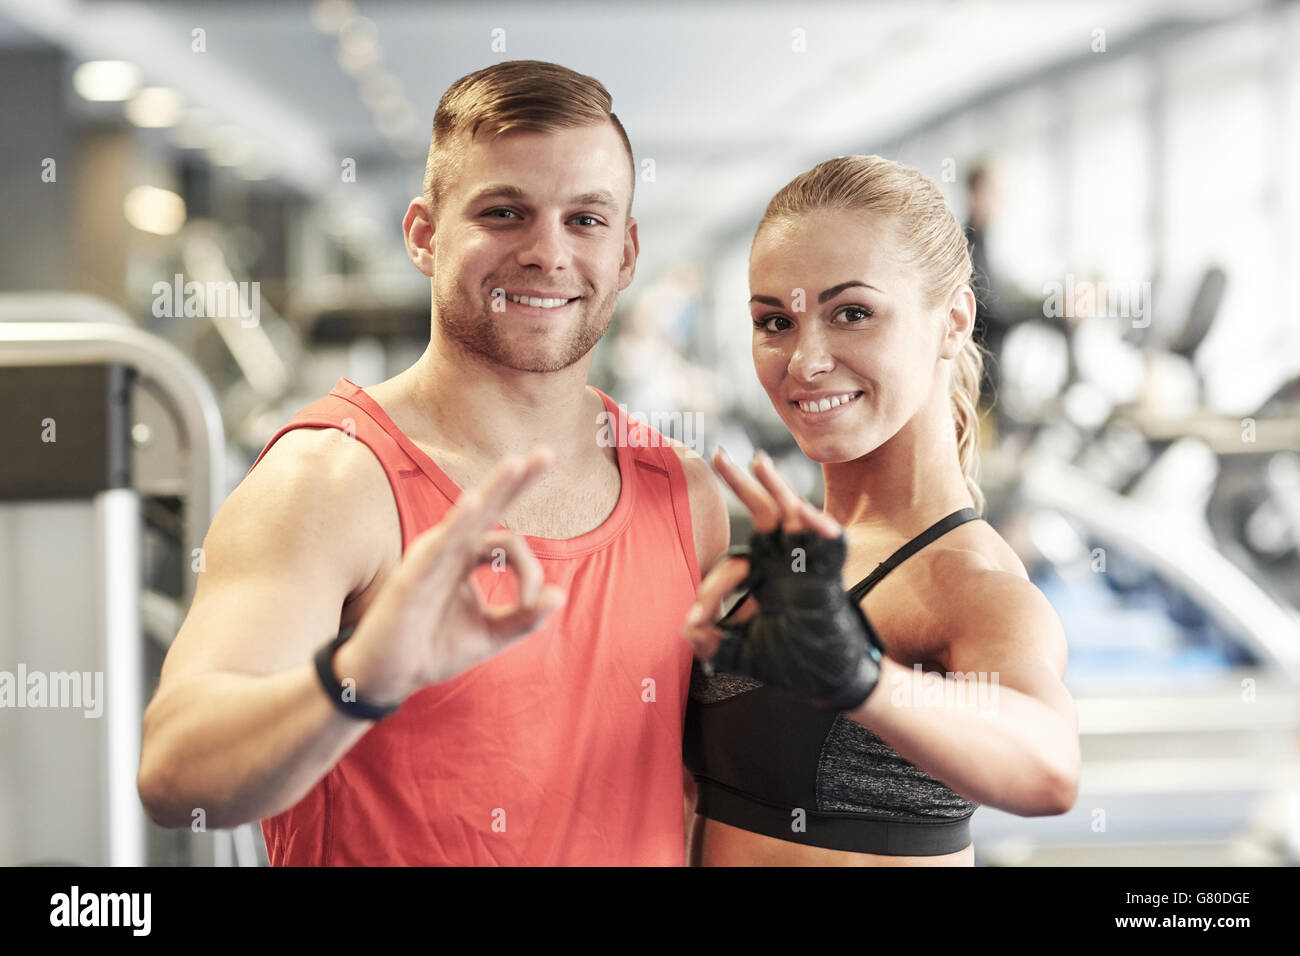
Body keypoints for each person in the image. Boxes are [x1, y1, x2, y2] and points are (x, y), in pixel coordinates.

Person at [137, 60, 728, 865]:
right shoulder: (333, 480)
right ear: (424, 234)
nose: (547, 253)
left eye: (585, 220)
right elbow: (177, 776)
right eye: (505, 212)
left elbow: (699, 796)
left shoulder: (683, 494)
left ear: (625, 254)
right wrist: (358, 682)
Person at [681, 155, 1080, 866]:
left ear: (953, 321)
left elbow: (1049, 765)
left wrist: (863, 678)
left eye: (853, 313)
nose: (804, 360)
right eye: (775, 320)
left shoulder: (964, 578)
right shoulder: (794, 557)